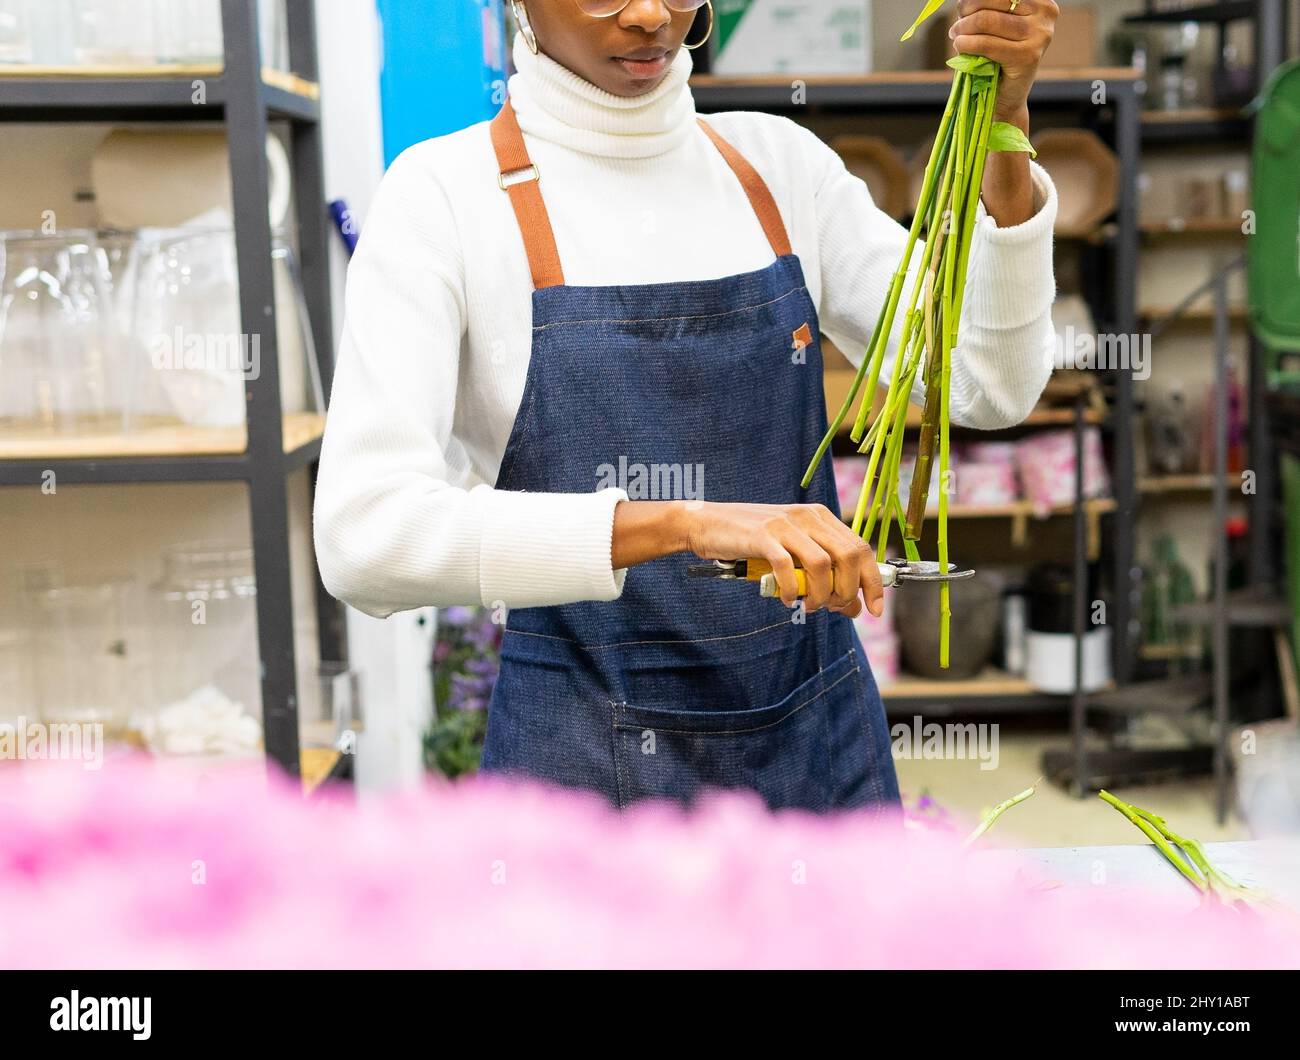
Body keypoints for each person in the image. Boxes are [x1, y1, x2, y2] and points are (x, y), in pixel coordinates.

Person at [315, 0, 1061, 813]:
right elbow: (365, 536)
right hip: (580, 776)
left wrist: (1005, 128)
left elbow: (988, 376)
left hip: (815, 748)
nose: (648, 15)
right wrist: (683, 523)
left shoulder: (778, 169)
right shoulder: (444, 198)